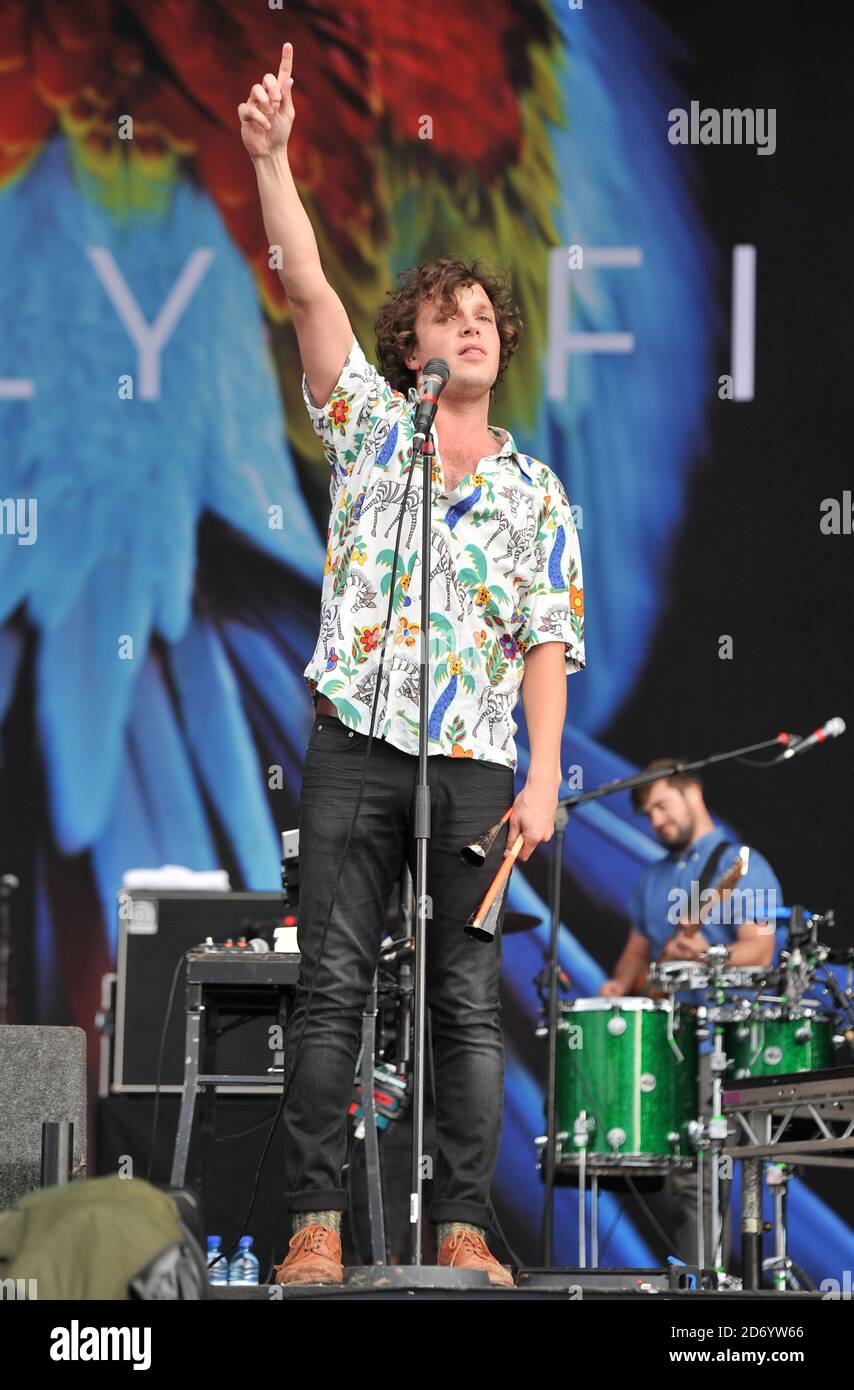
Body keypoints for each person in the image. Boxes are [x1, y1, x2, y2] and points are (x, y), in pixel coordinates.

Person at [240, 42, 585, 1286]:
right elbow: (307, 291)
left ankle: (459, 1228)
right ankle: (315, 1228)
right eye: (452, 319)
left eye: (487, 318)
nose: (476, 329)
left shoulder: (535, 489)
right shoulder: (374, 430)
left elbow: (546, 639)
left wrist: (543, 777)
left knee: (465, 1008)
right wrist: (273, 159)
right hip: (354, 746)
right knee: (332, 990)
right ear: (414, 350)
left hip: (477, 767)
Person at [600, 759, 783, 1266]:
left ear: (693, 793)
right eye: (649, 814)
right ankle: (698, 1276)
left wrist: (704, 954)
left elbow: (761, 952)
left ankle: (703, 1287)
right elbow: (637, 961)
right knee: (677, 1176)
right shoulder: (653, 877)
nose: (656, 820)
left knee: (700, 1179)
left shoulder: (741, 864)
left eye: (662, 805)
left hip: (721, 1045)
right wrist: (618, 984)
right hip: (666, 1045)